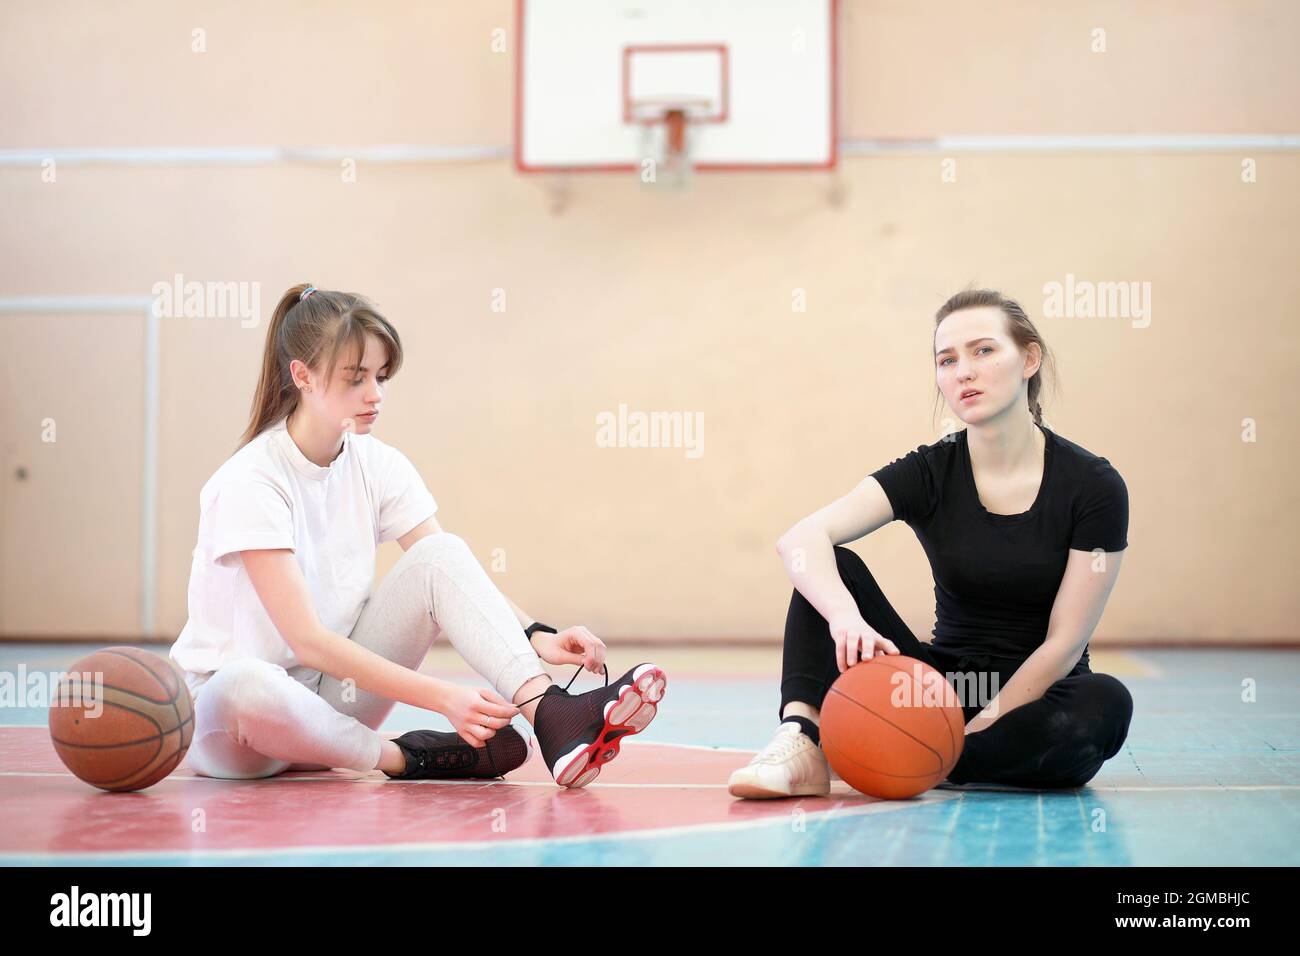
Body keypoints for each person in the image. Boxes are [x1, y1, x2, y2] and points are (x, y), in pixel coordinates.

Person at [170, 283, 667, 788]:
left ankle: (553, 715)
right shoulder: (251, 480)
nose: (375, 394)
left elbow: (449, 573)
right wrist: (441, 697)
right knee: (246, 685)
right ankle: (409, 756)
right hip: (237, 729)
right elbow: (308, 641)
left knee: (439, 552)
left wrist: (537, 634)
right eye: (355, 378)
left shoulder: (378, 464)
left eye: (381, 376)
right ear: (302, 375)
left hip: (334, 704)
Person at [729, 288, 1133, 798]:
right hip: (936, 689)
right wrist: (845, 618)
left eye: (983, 351)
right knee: (833, 568)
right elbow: (801, 540)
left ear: (1029, 358)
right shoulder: (932, 469)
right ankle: (804, 742)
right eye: (947, 360)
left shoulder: (1093, 485)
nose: (963, 371)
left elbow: (1064, 643)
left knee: (1105, 704)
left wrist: (973, 730)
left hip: (1037, 700)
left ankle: (931, 759)